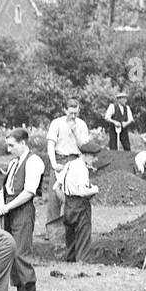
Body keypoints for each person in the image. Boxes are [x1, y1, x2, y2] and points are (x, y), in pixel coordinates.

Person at [0, 128, 44, 291]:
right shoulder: (14, 163)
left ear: (23, 143)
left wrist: (8, 206)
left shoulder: (34, 161)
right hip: (8, 212)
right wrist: (1, 204)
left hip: (22, 211)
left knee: (21, 252)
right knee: (9, 252)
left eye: (11, 145)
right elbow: (4, 189)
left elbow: (29, 191)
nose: (8, 150)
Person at [45, 99, 91, 239]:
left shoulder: (81, 124)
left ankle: (72, 230)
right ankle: (51, 231)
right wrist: (53, 163)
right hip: (59, 159)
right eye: (71, 112)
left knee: (73, 196)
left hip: (75, 160)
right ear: (65, 110)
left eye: (75, 113)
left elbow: (84, 146)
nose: (73, 115)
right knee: (54, 196)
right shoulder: (57, 123)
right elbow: (50, 144)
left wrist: (75, 130)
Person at [56, 141, 101, 262]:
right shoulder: (82, 169)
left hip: (68, 205)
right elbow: (82, 191)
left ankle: (70, 262)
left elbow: (56, 186)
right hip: (80, 205)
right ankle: (82, 262)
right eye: (94, 156)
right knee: (83, 235)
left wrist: (66, 201)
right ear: (86, 155)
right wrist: (95, 189)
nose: (95, 159)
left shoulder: (69, 164)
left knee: (70, 237)